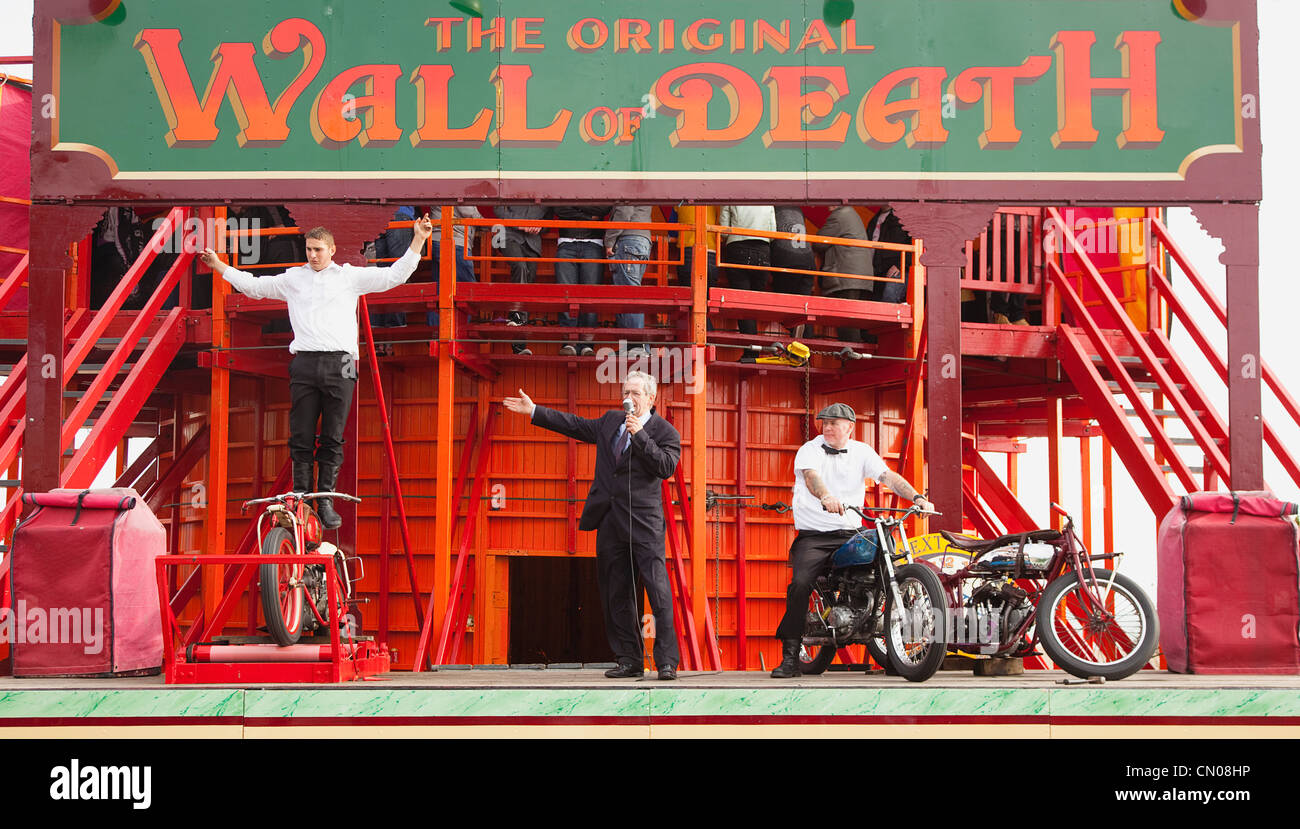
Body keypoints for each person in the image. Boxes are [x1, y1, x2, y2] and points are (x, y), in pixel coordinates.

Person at [199, 215, 434, 529]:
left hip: (342, 363)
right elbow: (255, 287)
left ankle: (325, 499)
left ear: (332, 250)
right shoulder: (294, 278)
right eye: (309, 249)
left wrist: (418, 239)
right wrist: (219, 266)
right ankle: (300, 494)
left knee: (333, 437)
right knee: (301, 435)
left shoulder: (349, 277)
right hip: (305, 362)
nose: (313, 255)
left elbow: (395, 276)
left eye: (319, 250)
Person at [503, 371, 682, 680]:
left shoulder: (665, 432)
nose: (629, 397)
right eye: (626, 390)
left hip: (644, 525)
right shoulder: (611, 421)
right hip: (610, 521)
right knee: (616, 593)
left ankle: (666, 662)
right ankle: (629, 659)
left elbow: (665, 467)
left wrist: (640, 435)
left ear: (651, 398)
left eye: (636, 393)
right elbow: (576, 425)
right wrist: (534, 411)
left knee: (658, 592)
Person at [770, 403, 934, 678]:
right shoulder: (809, 450)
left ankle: (888, 640)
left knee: (885, 555)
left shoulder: (861, 451)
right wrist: (826, 497)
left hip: (851, 532)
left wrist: (917, 497)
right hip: (816, 534)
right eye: (825, 423)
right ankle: (790, 656)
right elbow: (812, 478)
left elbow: (888, 477)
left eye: (835, 423)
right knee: (800, 584)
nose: (829, 427)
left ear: (850, 427)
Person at [553, 204, 612, 355]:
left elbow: (603, 209)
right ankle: (569, 343)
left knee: (590, 297)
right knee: (566, 294)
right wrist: (587, 216)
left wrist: (575, 211)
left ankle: (587, 345)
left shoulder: (599, 188)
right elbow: (559, 209)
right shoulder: (564, 188)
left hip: (593, 244)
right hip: (567, 243)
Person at [495, 204, 550, 355]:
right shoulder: (509, 186)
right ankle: (515, 315)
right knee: (519, 266)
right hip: (507, 236)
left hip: (533, 243)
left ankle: (519, 345)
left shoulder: (544, 197)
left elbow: (549, 220)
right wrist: (520, 224)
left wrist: (540, 227)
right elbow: (498, 209)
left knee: (528, 286)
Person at [815, 206, 874, 343]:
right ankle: (862, 359)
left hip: (846, 277)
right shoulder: (852, 213)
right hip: (861, 278)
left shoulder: (839, 215)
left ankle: (851, 360)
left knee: (847, 325)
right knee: (859, 323)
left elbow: (819, 242)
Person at [718, 204, 776, 338]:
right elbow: (773, 233)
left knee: (742, 304)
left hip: (738, 248)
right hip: (763, 251)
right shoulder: (767, 200)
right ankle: (754, 348)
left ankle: (751, 351)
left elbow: (725, 231)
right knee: (754, 304)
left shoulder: (730, 197)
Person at [605, 205, 653, 356]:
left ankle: (637, 345)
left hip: (628, 240)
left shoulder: (627, 185)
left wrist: (609, 240)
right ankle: (632, 345)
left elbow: (624, 211)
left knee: (629, 294)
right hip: (641, 240)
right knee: (629, 293)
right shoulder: (643, 189)